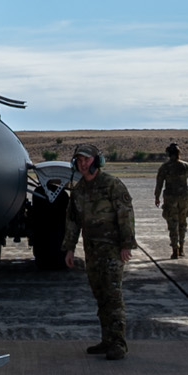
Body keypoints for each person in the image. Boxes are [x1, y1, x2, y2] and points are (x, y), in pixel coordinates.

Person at [68, 144, 138, 359]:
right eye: (79, 160)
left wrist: (127, 244)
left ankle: (118, 343)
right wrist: (69, 249)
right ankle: (107, 340)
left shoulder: (112, 185)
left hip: (112, 250)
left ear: (97, 161)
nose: (82, 164)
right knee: (100, 295)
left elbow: (125, 215)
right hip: (92, 251)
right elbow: (72, 221)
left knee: (113, 296)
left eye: (87, 160)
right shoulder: (78, 190)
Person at [153, 142, 188, 259]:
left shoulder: (164, 167)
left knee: (173, 223)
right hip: (184, 198)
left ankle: (175, 249)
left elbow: (159, 184)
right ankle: (181, 248)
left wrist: (157, 197)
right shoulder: (186, 166)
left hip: (170, 198)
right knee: (182, 222)